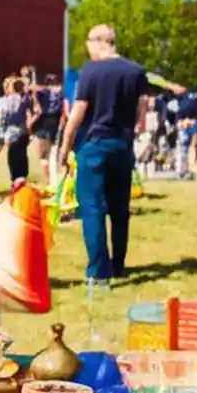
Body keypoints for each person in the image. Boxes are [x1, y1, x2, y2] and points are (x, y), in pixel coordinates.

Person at [58, 24, 149, 283]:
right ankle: (118, 265)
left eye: (88, 42)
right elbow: (141, 112)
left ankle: (98, 272)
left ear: (99, 42)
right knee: (120, 209)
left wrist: (64, 147)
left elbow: (78, 112)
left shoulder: (91, 71)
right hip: (122, 146)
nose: (87, 48)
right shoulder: (136, 71)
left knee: (92, 207)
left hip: (94, 145)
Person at [30, 74, 67, 183]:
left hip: (43, 120)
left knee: (42, 155)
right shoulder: (61, 92)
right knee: (53, 150)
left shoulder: (42, 92)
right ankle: (55, 178)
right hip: (55, 120)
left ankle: (48, 180)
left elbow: (32, 90)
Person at [0, 76, 31, 184]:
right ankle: (23, 178)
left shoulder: (4, 101)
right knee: (22, 157)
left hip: (10, 133)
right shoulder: (23, 99)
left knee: (13, 159)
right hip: (23, 131)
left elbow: (2, 117)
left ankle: (15, 180)